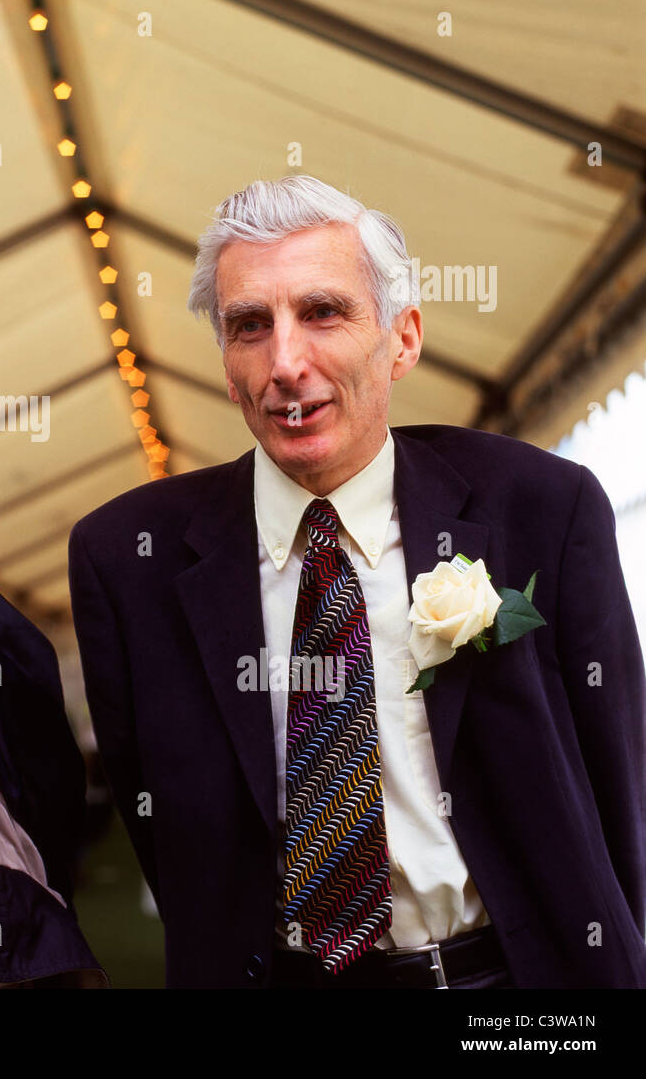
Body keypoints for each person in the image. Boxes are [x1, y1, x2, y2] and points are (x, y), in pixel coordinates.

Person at [69, 174, 646, 988]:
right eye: (249, 326)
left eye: (322, 312)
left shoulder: (542, 511)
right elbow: (155, 820)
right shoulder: (129, 557)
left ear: (404, 337)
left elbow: (622, 789)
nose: (285, 362)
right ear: (226, 365)